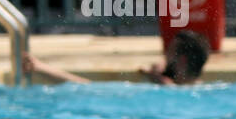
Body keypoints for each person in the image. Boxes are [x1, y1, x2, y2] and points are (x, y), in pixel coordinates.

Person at [22, 30, 210, 86]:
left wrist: (156, 75)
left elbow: (165, 80)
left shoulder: (169, 87)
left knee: (90, 88)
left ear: (182, 61)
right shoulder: (201, 86)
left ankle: (39, 67)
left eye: (169, 53)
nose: (164, 57)